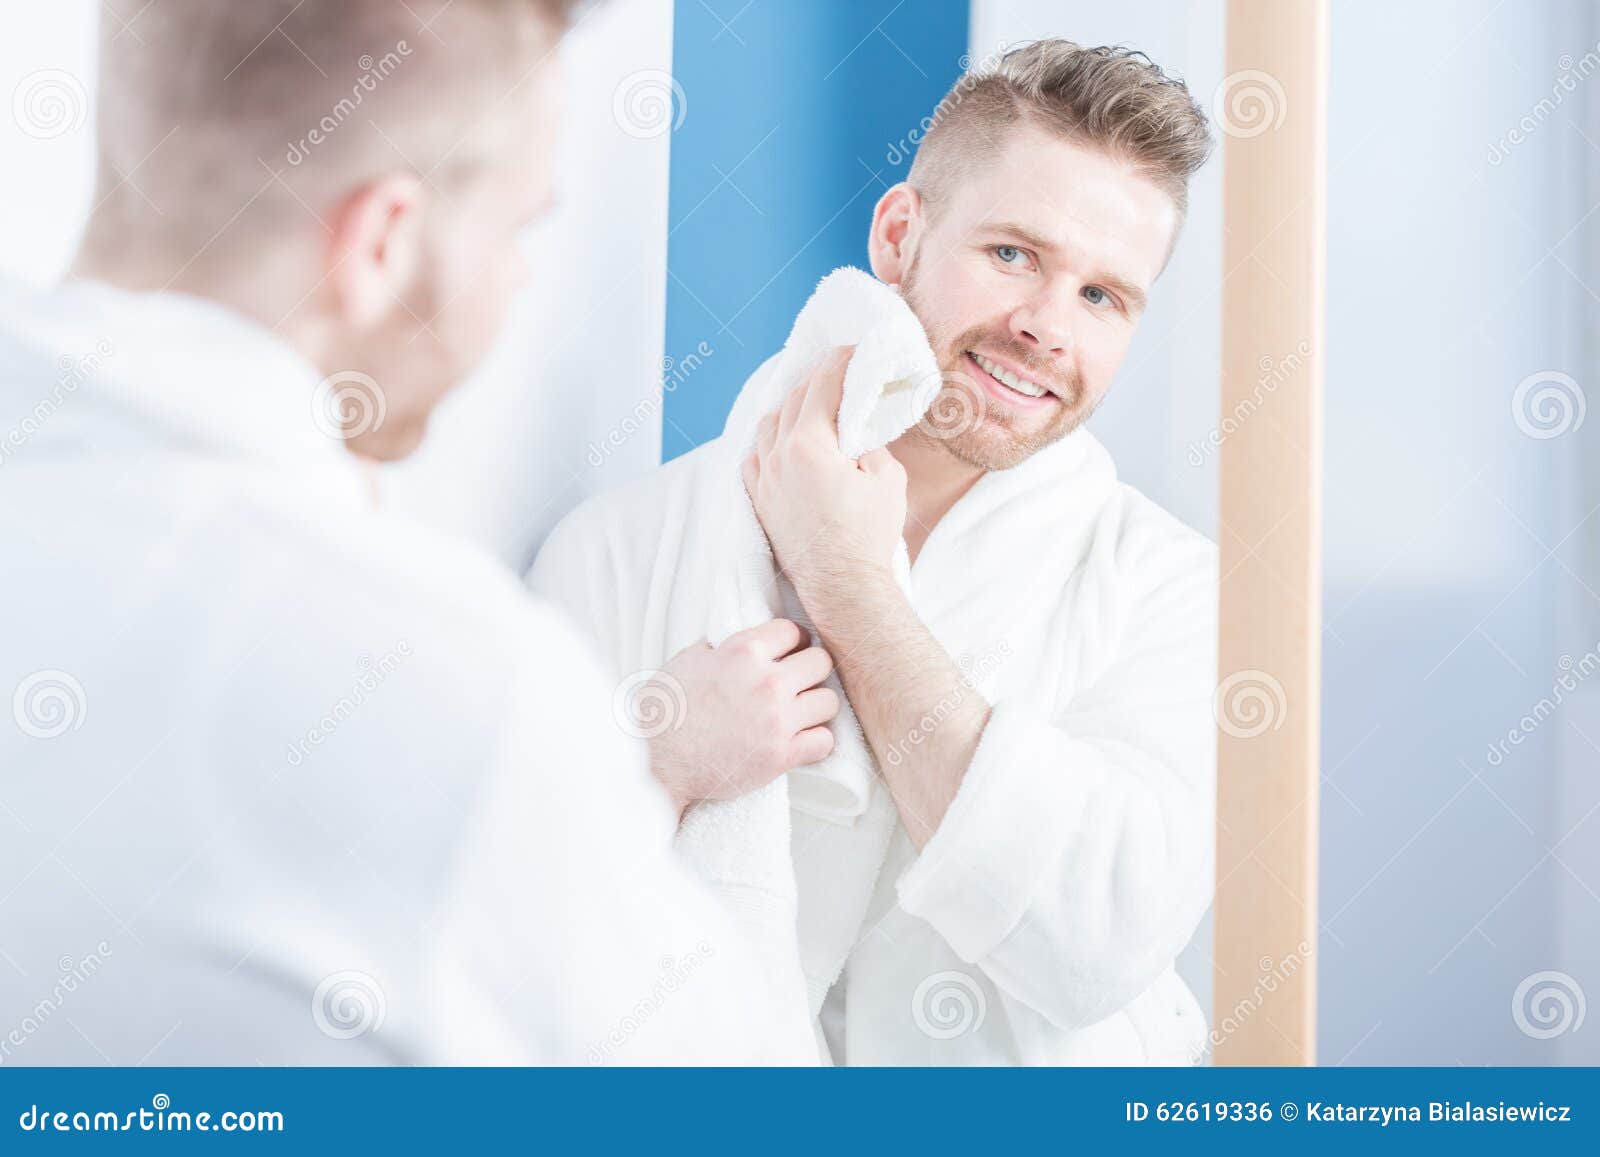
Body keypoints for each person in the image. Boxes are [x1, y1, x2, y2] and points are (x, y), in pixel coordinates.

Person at [0, 0, 830, 1065]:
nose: (519, 279)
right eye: (518, 229)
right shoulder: (455, 690)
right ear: (380, 243)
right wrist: (631, 777)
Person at [531, 40, 1221, 1064]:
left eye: (1101, 297)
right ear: (899, 234)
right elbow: (514, 924)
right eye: (1013, 255)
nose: (1045, 327)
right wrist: (665, 761)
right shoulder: (623, 547)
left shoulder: (1169, 589)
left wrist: (849, 587)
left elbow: (1099, 943)